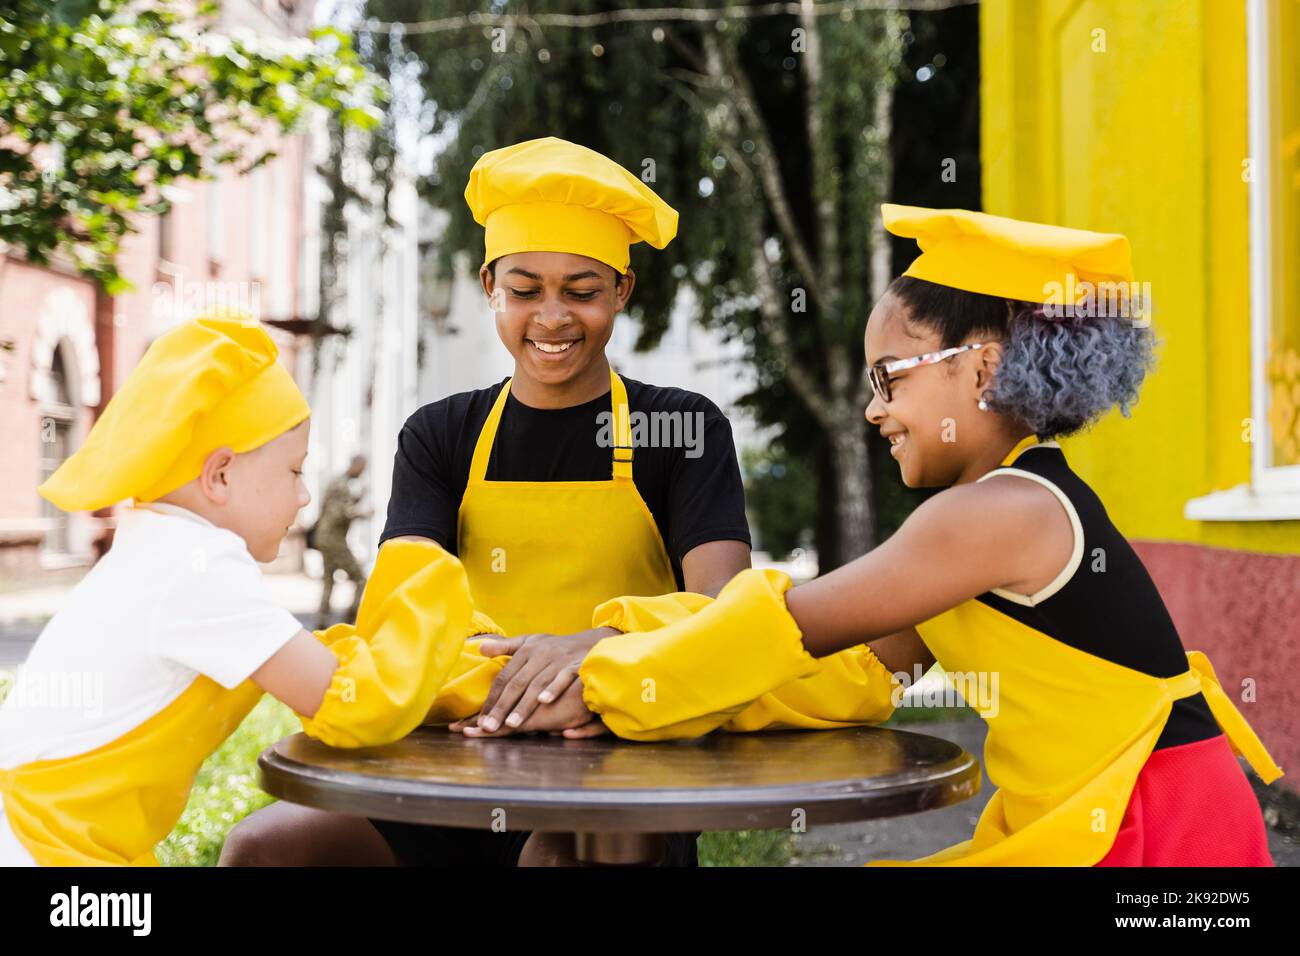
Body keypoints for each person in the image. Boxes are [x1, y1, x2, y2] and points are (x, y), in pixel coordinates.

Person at [220, 137, 899, 867]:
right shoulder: (441, 435)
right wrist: (514, 687)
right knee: (262, 849)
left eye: (582, 291)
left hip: (628, 767)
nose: (553, 317)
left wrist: (602, 652)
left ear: (621, 293)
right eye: (524, 289)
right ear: (489, 285)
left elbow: (724, 616)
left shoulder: (684, 428)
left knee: (561, 852)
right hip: (458, 764)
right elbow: (401, 613)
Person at [573, 204, 1285, 866]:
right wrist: (629, 653)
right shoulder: (995, 509)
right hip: (1120, 816)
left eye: (888, 379)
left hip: (1158, 831)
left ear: (984, 365)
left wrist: (601, 680)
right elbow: (851, 671)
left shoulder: (993, 515)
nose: (872, 410)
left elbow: (790, 625)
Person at [0, 314, 475, 866]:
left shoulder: (162, 548)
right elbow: (356, 706)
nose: (303, 498)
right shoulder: (196, 570)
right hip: (45, 849)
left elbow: (309, 663)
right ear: (220, 475)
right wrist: (425, 570)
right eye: (295, 472)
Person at [314, 454, 372, 628]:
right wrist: (363, 513)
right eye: (362, 468)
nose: (363, 473)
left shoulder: (339, 482)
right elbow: (339, 512)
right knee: (361, 579)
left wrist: (358, 499)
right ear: (356, 465)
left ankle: (321, 621)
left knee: (329, 580)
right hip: (333, 539)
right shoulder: (341, 485)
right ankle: (350, 618)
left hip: (326, 537)